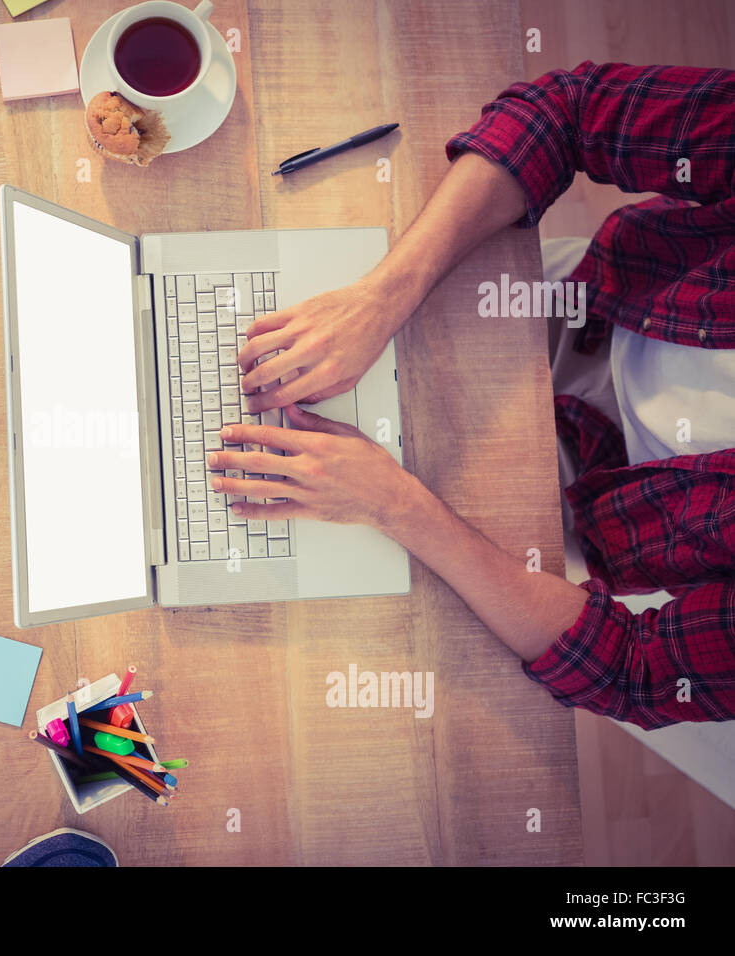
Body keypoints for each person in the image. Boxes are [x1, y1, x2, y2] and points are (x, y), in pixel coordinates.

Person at [208, 62, 735, 728]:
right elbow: (566, 113)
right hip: (576, 299)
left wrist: (392, 501)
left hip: (601, 498)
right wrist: (383, 296)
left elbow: (634, 670)